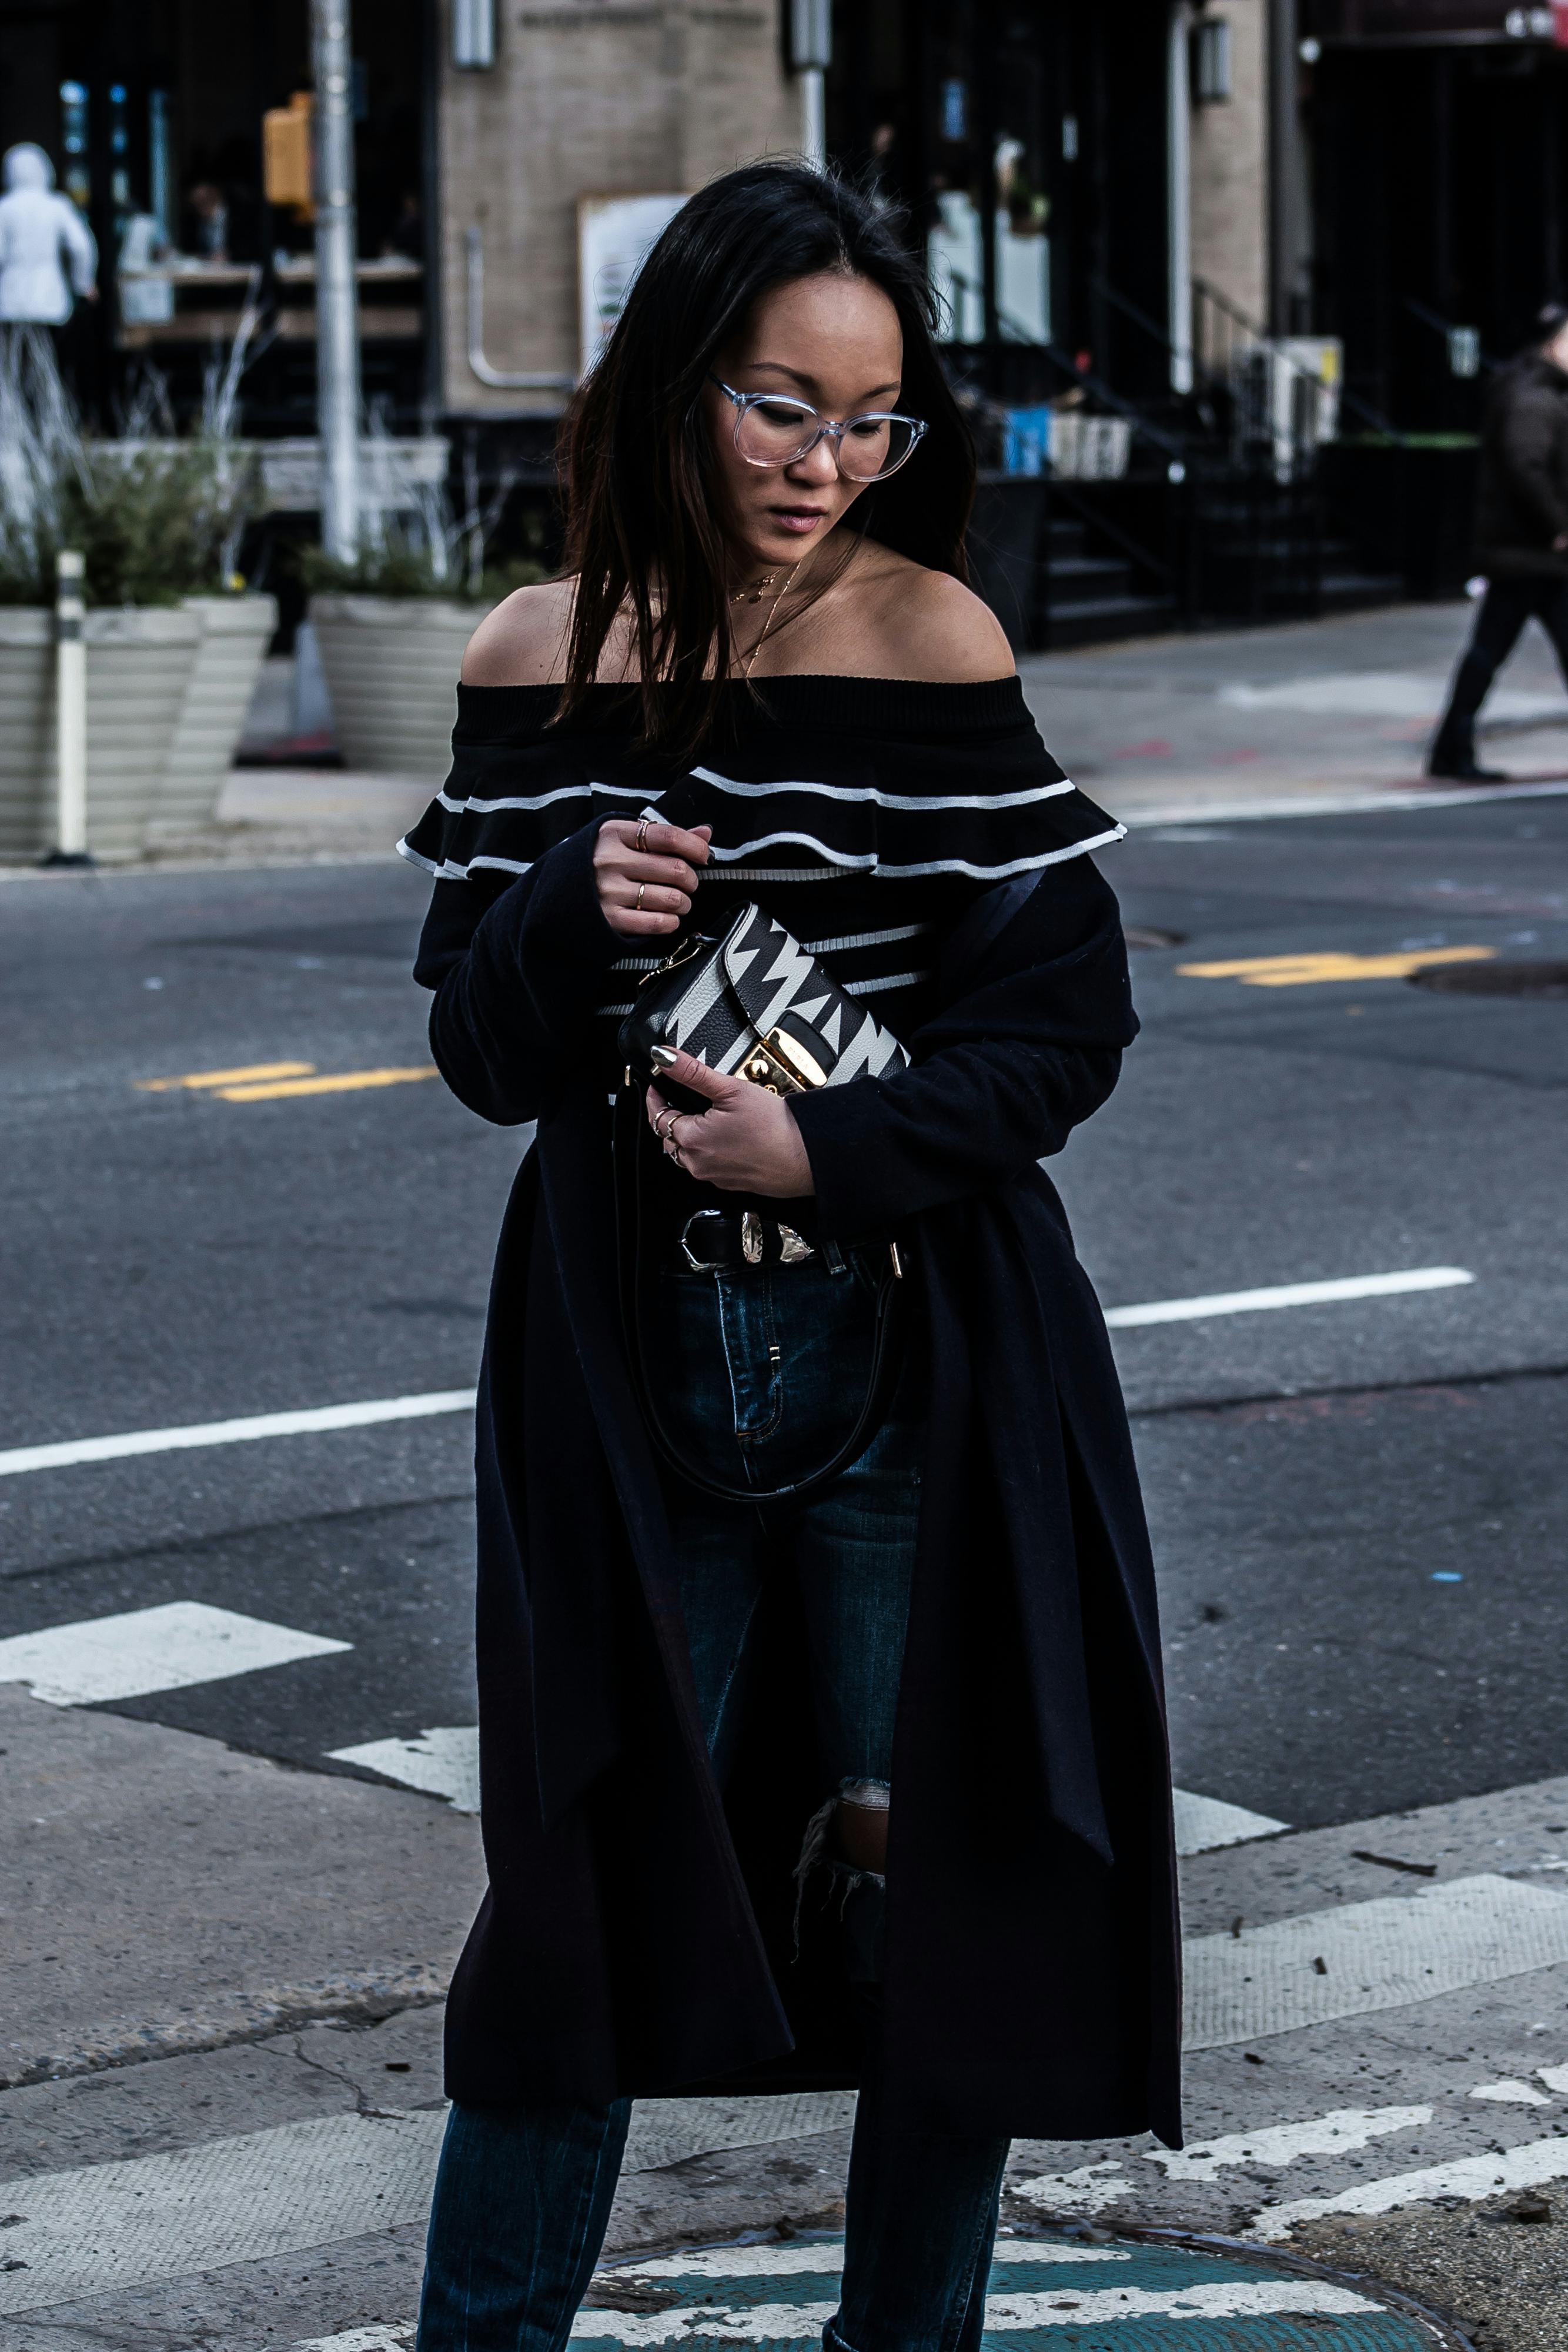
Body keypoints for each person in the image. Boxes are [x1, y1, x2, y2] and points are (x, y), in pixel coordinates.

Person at [400, 160, 1181, 2352]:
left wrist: (823, 1141)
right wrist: (566, 910)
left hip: (912, 1350)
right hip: (621, 1355)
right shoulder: (529, 658)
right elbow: (477, 1043)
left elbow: (1061, 1026)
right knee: (570, 1892)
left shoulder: (930, 640)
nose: (823, 465)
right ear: (673, 375)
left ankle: (897, 2340)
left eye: (869, 421)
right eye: (779, 405)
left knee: (920, 1879)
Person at [1429, 303, 1568, 781]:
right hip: (1533, 554)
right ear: (1553, 341)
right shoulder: (1534, 398)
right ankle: (1450, 749)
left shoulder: (1537, 391)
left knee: (1487, 652)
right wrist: (1558, 525)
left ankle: (1450, 748)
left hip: (1524, 553)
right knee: (1487, 653)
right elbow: (1525, 466)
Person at [0, 143, 96, 325]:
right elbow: (81, 247)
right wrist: (83, 284)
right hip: (50, 297)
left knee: (12, 351)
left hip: (10, 298)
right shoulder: (58, 205)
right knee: (44, 350)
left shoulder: (5, 208)